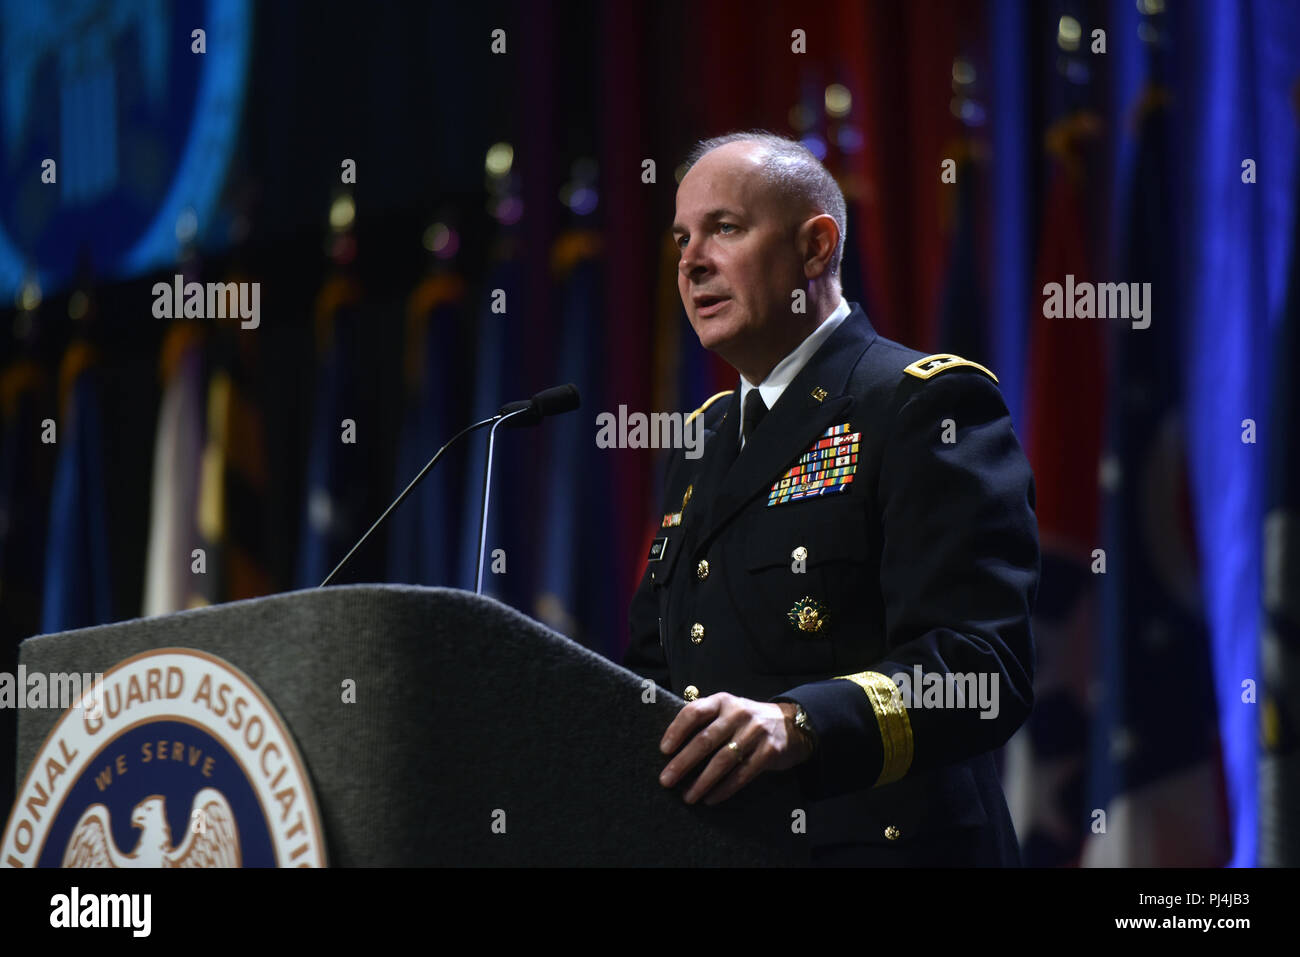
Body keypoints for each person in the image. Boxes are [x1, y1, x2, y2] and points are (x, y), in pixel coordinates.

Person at [624, 132, 1039, 866]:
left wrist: (800, 721)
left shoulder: (923, 404)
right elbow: (657, 669)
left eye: (725, 228)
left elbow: (981, 668)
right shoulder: (704, 437)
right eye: (683, 237)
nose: (689, 261)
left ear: (816, 248)